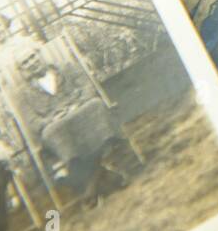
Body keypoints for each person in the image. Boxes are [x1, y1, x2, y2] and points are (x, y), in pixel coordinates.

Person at [7, 43, 128, 208]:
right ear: (22, 70)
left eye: (32, 57)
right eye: (25, 63)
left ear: (40, 54)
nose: (31, 63)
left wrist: (77, 104)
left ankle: (91, 187)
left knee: (95, 105)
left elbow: (87, 86)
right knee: (51, 131)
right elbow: (32, 122)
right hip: (57, 126)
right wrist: (52, 119)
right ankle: (103, 175)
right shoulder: (22, 94)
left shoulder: (67, 68)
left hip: (81, 111)